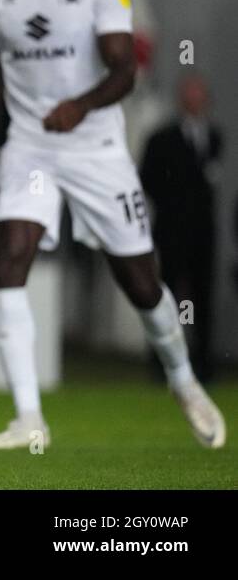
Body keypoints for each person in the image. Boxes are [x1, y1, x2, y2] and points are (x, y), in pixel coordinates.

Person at [0, 0, 224, 450]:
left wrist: (81, 105)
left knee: (142, 284)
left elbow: (124, 71)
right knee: (9, 254)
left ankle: (183, 379)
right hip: (30, 144)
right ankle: (29, 417)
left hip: (96, 148)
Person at [140, 74, 223, 383]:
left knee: (202, 300)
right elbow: (147, 179)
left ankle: (203, 365)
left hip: (203, 235)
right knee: (168, 299)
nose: (195, 100)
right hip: (172, 233)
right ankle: (162, 364)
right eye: (190, 94)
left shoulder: (215, 137)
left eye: (199, 94)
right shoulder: (162, 139)